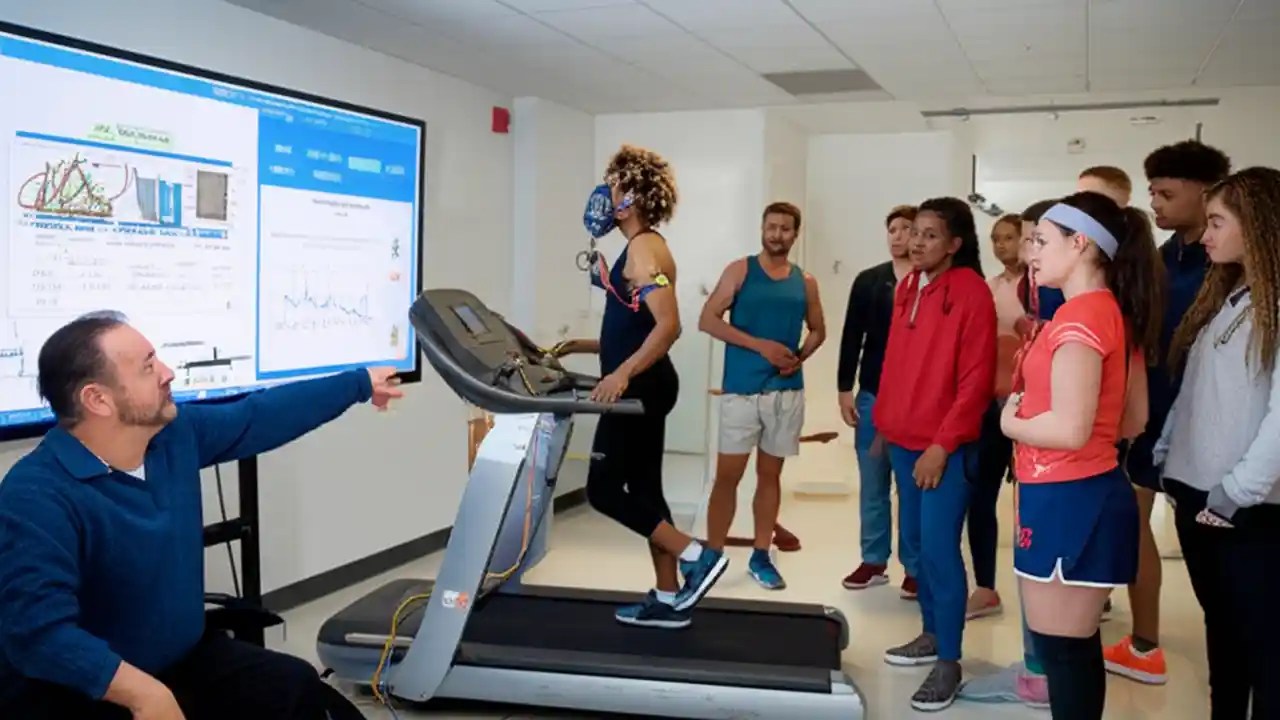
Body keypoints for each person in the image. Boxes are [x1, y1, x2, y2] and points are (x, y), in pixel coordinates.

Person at [0, 311, 404, 720]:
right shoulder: (36, 494)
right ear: (97, 399)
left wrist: (358, 384)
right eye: (148, 368)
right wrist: (144, 695)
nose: (167, 372)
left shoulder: (173, 437)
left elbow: (258, 415)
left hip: (180, 661)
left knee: (301, 692)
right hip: (89, 688)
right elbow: (38, 634)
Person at [1003, 190, 1164, 719]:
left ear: (1081, 244)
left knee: (1063, 653)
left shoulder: (1078, 319)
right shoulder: (1109, 312)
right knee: (1071, 649)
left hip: (1069, 495)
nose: (1032, 253)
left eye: (1042, 241)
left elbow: (1071, 429)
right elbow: (1133, 419)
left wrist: (1012, 420)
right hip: (1081, 490)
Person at [558, 144, 726, 629]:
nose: (605, 197)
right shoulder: (637, 248)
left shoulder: (644, 248)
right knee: (647, 491)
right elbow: (631, 325)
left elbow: (669, 325)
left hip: (641, 388)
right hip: (645, 383)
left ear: (630, 196)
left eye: (612, 187)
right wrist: (579, 345)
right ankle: (668, 597)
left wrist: (621, 373)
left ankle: (697, 556)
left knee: (604, 490)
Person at [1105, 140, 1231, 686]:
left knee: (1214, 542)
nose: (1154, 201)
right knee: (1134, 523)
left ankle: (1233, 647)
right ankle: (1144, 642)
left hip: (1210, 422)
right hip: (1149, 411)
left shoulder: (1229, 262)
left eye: (1166, 192)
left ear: (1205, 193)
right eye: (1151, 191)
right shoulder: (1161, 257)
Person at [1159, 166, 1280, 720]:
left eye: (1216, 222)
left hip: (1242, 507)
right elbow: (1197, 391)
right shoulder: (1231, 295)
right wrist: (1167, 450)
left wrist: (1238, 490)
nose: (1204, 236)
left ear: (1257, 224)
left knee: (1262, 650)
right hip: (1198, 493)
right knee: (1225, 640)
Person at [875, 197, 997, 711]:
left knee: (943, 555)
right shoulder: (907, 287)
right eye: (914, 233)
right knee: (918, 548)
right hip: (902, 440)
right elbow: (896, 361)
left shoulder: (972, 293)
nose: (916, 242)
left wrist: (942, 445)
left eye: (929, 234)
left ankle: (949, 661)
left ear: (954, 244)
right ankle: (929, 634)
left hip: (943, 448)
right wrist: (884, 421)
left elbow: (975, 382)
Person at [699, 201, 825, 591]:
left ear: (795, 234)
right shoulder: (740, 271)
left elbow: (819, 330)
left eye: (785, 229)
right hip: (741, 392)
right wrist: (760, 347)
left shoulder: (805, 282)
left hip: (785, 393)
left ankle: (760, 554)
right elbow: (708, 320)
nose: (777, 235)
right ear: (761, 229)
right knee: (727, 478)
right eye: (771, 227)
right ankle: (712, 555)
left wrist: (798, 357)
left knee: (770, 477)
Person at [838, 205, 919, 599]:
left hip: (916, 401)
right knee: (873, 481)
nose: (899, 236)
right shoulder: (870, 281)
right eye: (893, 229)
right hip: (872, 394)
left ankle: (915, 566)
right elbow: (852, 336)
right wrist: (843, 388)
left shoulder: (931, 282)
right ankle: (873, 560)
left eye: (907, 229)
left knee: (910, 485)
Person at [966, 212, 1023, 622]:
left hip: (1032, 405)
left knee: (1037, 503)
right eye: (996, 238)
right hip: (991, 403)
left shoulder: (1047, 285)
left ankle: (1071, 584)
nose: (1001, 245)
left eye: (1009, 238)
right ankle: (985, 588)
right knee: (980, 497)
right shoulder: (991, 286)